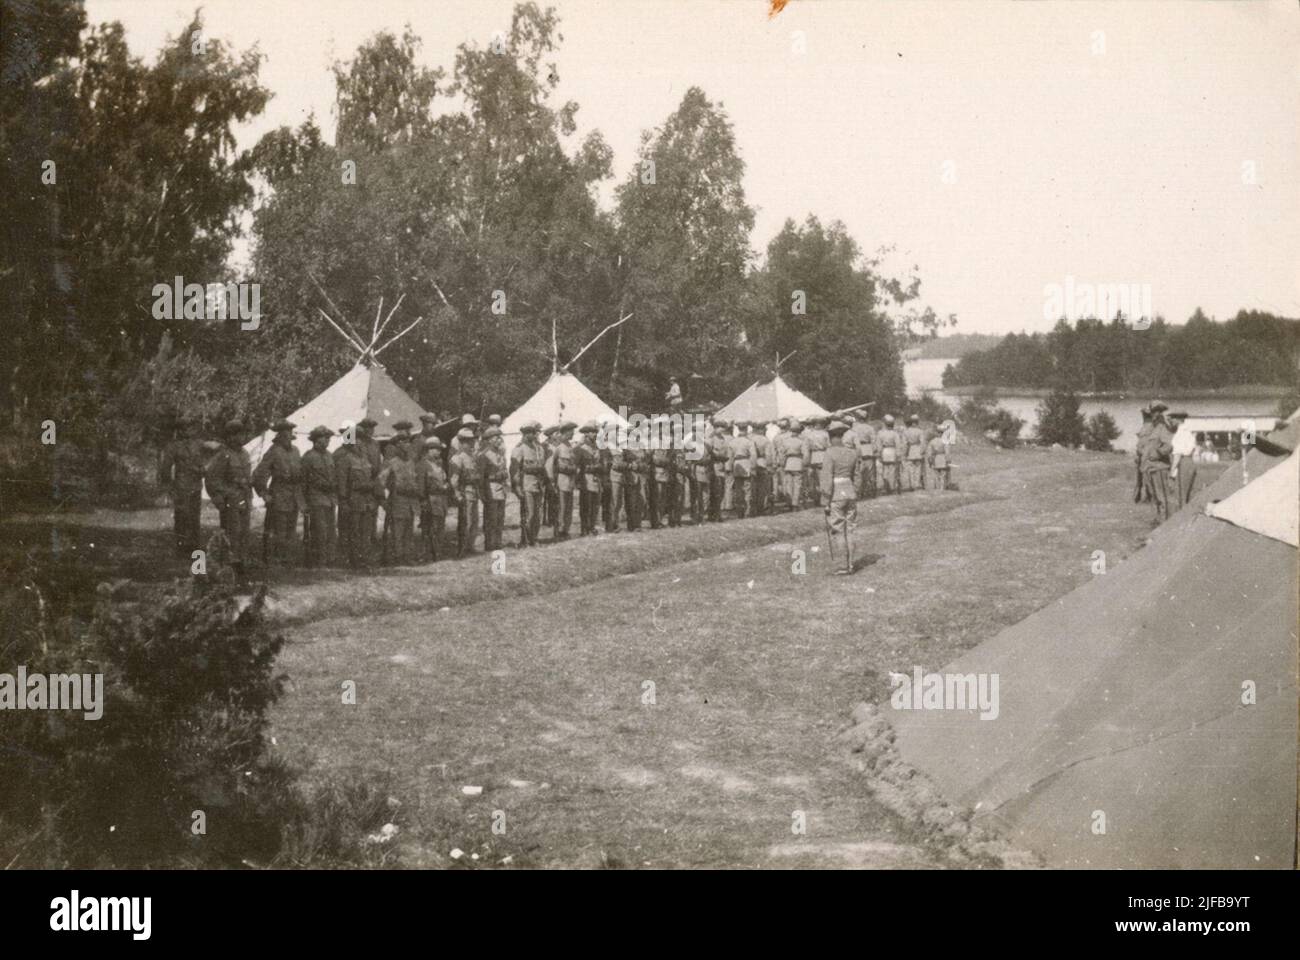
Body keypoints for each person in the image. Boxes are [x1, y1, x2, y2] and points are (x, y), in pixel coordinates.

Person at [251, 419, 304, 566]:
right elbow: (259, 475)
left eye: (289, 433)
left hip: (293, 497)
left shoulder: (296, 452)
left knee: (290, 530)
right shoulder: (273, 451)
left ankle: (287, 559)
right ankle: (272, 559)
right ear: (279, 435)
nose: (288, 436)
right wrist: (264, 493)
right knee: (277, 530)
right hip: (279, 496)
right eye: (284, 434)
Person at [159, 414, 208, 559]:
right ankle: (180, 547)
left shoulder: (198, 444)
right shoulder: (173, 446)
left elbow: (204, 460)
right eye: (184, 427)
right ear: (179, 430)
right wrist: (169, 487)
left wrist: (203, 469)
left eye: (190, 427)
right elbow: (165, 468)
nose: (187, 430)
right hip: (181, 486)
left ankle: (194, 547)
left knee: (194, 517)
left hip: (196, 486)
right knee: (182, 516)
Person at [822, 420, 859, 575]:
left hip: (836, 494)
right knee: (850, 529)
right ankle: (850, 564)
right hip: (850, 492)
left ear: (831, 436)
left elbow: (827, 479)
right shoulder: (852, 453)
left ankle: (843, 566)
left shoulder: (829, 453)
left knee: (837, 529)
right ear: (842, 436)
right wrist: (854, 491)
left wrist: (825, 501)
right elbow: (856, 476)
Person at [336, 430, 377, 569]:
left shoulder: (366, 460)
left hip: (367, 500)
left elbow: (372, 478)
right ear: (351, 443)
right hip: (354, 500)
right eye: (356, 440)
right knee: (354, 530)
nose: (360, 444)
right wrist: (344, 501)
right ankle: (353, 559)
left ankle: (364, 558)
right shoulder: (345, 459)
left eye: (361, 441)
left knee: (366, 531)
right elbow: (342, 483)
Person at [301, 426, 338, 567]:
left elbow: (333, 476)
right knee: (319, 531)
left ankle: (330, 559)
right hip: (315, 498)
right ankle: (319, 560)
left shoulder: (329, 456)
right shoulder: (308, 457)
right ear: (316, 439)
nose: (328, 440)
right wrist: (303, 503)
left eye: (329, 438)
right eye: (325, 438)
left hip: (329, 499)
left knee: (330, 530)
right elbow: (303, 481)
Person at [510, 421, 546, 546]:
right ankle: (525, 539)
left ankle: (534, 538)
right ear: (525, 434)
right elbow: (514, 470)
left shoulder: (538, 448)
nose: (534, 435)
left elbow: (542, 466)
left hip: (538, 485)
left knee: (537, 515)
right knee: (528, 514)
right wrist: (517, 487)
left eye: (534, 432)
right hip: (527, 485)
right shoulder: (519, 449)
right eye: (531, 433)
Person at [415, 436, 450, 561]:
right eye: (436, 449)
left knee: (439, 527)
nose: (439, 452)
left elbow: (444, 480)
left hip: (440, 500)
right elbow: (420, 486)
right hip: (430, 500)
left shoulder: (439, 465)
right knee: (429, 529)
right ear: (429, 450)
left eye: (439, 449)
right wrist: (423, 502)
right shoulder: (423, 465)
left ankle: (437, 553)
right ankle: (427, 554)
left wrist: (446, 486)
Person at [1140, 401, 1175, 523]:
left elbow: (1169, 445)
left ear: (1160, 413)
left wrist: (1158, 453)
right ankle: (1157, 518)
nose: (1153, 415)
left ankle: (1165, 521)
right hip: (1149, 467)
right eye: (1152, 412)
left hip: (1159, 467)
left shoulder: (1163, 428)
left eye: (1156, 412)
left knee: (1162, 496)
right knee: (1154, 496)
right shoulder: (1152, 428)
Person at [449, 428, 482, 556]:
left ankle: (470, 546)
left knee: (474, 521)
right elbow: (454, 479)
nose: (472, 443)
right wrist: (457, 494)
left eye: (472, 441)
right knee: (465, 522)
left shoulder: (472, 457)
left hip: (474, 491)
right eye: (468, 441)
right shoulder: (458, 458)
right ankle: (462, 548)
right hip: (465, 492)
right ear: (462, 442)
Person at [478, 426, 509, 551]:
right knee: (491, 518)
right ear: (489, 439)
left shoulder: (500, 454)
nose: (499, 440)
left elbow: (504, 470)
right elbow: (481, 476)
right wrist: (482, 492)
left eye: (499, 438)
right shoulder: (484, 455)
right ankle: (489, 544)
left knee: (500, 517)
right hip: (490, 488)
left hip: (500, 488)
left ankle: (498, 542)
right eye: (496, 438)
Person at [548, 421, 578, 540]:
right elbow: (551, 465)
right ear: (566, 432)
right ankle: (559, 531)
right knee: (562, 507)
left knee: (569, 507)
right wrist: (552, 481)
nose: (573, 434)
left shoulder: (570, 446)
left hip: (570, 481)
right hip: (561, 481)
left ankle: (566, 530)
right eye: (571, 431)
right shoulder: (558, 448)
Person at [1168, 412, 1199, 510]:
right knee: (1186, 495)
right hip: (1190, 462)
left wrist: (1172, 472)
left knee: (1181, 495)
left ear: (1178, 420)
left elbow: (1177, 454)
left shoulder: (1180, 433)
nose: (1171, 421)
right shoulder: (1188, 431)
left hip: (1183, 462)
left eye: (1172, 419)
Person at [778, 420, 808, 510]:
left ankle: (789, 502)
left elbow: (782, 454)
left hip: (788, 463)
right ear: (799, 431)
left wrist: (782, 464)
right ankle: (795, 503)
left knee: (788, 484)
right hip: (798, 462)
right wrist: (805, 464)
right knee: (797, 484)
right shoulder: (801, 441)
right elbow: (805, 454)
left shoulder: (785, 441)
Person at [708, 419, 733, 521]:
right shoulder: (711, 439)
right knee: (715, 491)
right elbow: (710, 453)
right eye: (720, 428)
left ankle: (717, 513)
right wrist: (719, 456)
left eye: (723, 428)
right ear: (715, 428)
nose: (722, 430)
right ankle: (714, 514)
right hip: (713, 467)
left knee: (721, 491)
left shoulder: (723, 439)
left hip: (721, 467)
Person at [730, 420, 756, 519]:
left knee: (738, 489)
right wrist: (753, 467)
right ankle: (747, 511)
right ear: (746, 429)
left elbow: (730, 456)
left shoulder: (732, 442)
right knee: (747, 488)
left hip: (736, 465)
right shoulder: (749, 442)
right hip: (746, 464)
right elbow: (753, 456)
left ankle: (739, 511)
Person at [850, 411, 877, 499]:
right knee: (870, 472)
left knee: (859, 473)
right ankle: (871, 491)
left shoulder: (854, 428)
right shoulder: (870, 428)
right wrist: (874, 450)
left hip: (858, 449)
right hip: (868, 449)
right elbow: (873, 440)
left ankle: (860, 491)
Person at [804, 417, 830, 507]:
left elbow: (806, 449)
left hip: (813, 457)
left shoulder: (809, 435)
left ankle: (816, 498)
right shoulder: (825, 434)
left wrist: (806, 461)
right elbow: (829, 446)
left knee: (814, 480)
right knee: (823, 479)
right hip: (823, 455)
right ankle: (824, 499)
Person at [750, 421, 771, 516]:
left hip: (750, 463)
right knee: (763, 487)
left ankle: (752, 507)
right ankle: (761, 507)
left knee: (752, 487)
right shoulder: (765, 440)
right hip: (762, 462)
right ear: (761, 429)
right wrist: (770, 464)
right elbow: (768, 454)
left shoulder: (749, 438)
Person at [877, 414, 902, 495]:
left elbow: (879, 445)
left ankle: (886, 486)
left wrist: (879, 454)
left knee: (884, 471)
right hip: (892, 451)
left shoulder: (881, 433)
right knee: (892, 470)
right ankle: (892, 487)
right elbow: (898, 445)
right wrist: (898, 455)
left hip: (884, 451)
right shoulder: (895, 434)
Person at [1133, 405, 1153, 503]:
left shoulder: (1147, 427)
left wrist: (1139, 453)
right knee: (1142, 478)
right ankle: (1141, 496)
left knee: (1146, 478)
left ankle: (1147, 497)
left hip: (1145, 456)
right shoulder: (1148, 426)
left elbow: (1143, 443)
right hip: (1143, 455)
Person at [903, 414, 926, 492]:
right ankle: (916, 485)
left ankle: (911, 485)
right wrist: (922, 452)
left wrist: (905, 453)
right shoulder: (920, 431)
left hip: (910, 450)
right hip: (918, 450)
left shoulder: (907, 431)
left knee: (911, 469)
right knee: (918, 469)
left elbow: (905, 443)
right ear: (917, 422)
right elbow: (923, 443)